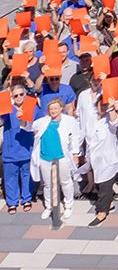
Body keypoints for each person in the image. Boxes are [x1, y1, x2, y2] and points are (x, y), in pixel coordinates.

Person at [24, 97, 82, 220]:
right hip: (45, 157)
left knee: (65, 182)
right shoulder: (42, 121)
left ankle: (68, 206)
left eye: (56, 108)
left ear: (61, 108)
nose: (53, 111)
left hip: (62, 157)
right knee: (47, 184)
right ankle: (49, 206)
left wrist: (76, 154)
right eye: (51, 109)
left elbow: (75, 137)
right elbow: (28, 126)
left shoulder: (70, 121)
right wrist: (22, 117)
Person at [83, 98, 118, 227]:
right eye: (102, 105)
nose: (104, 107)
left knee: (104, 187)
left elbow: (115, 122)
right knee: (100, 184)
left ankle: (101, 212)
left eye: (106, 105)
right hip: (95, 159)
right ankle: (110, 204)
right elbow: (87, 138)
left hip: (108, 160)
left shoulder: (109, 119)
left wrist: (112, 108)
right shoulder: (91, 120)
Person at [1, 84, 39, 214]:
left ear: (25, 94)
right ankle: (12, 202)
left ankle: (26, 199)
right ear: (12, 96)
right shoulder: (8, 109)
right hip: (10, 149)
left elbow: (37, 125)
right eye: (15, 95)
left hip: (27, 148)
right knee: (10, 177)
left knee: (26, 175)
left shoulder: (32, 107)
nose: (18, 97)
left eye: (21, 94)